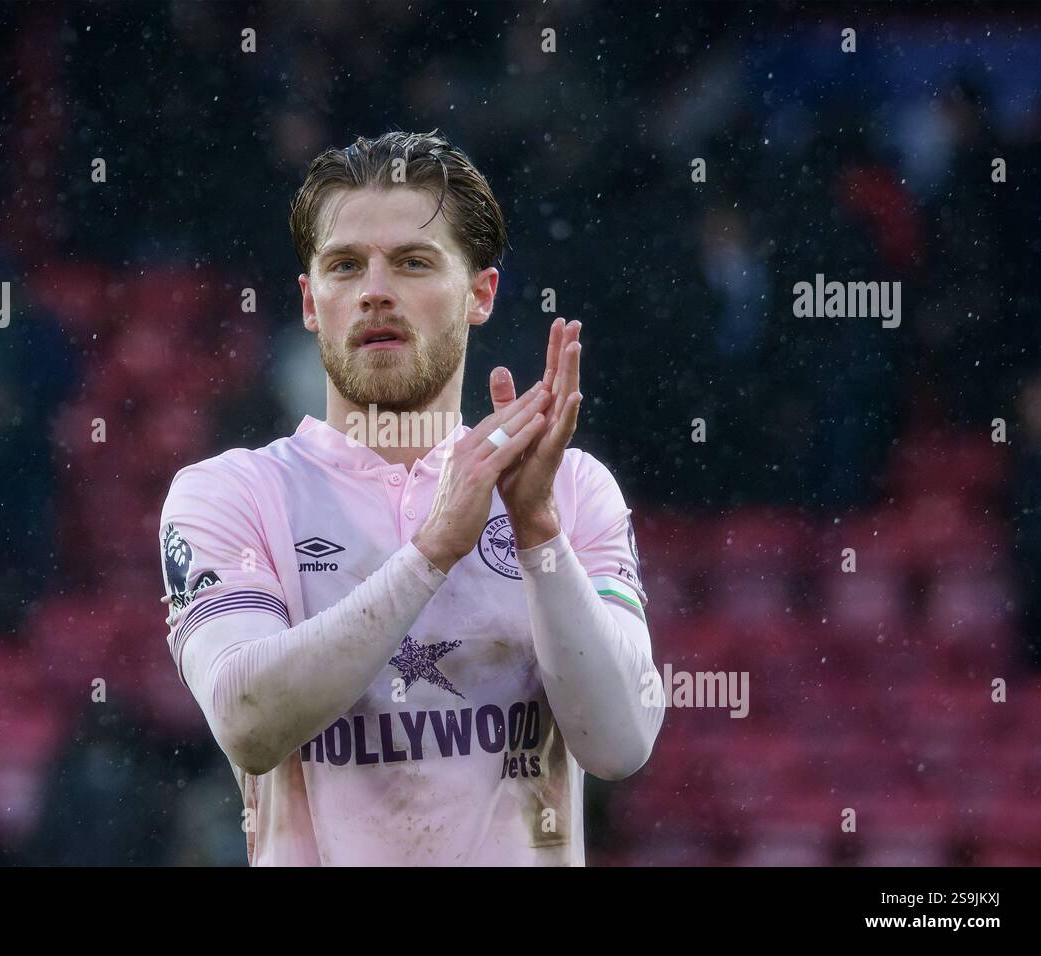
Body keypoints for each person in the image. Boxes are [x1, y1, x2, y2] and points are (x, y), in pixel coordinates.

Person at [157, 130, 663, 865]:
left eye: (414, 262)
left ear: (481, 294)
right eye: (344, 266)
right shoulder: (231, 493)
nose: (374, 290)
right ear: (309, 301)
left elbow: (619, 744)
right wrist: (430, 554)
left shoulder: (571, 488)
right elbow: (247, 720)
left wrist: (540, 534)